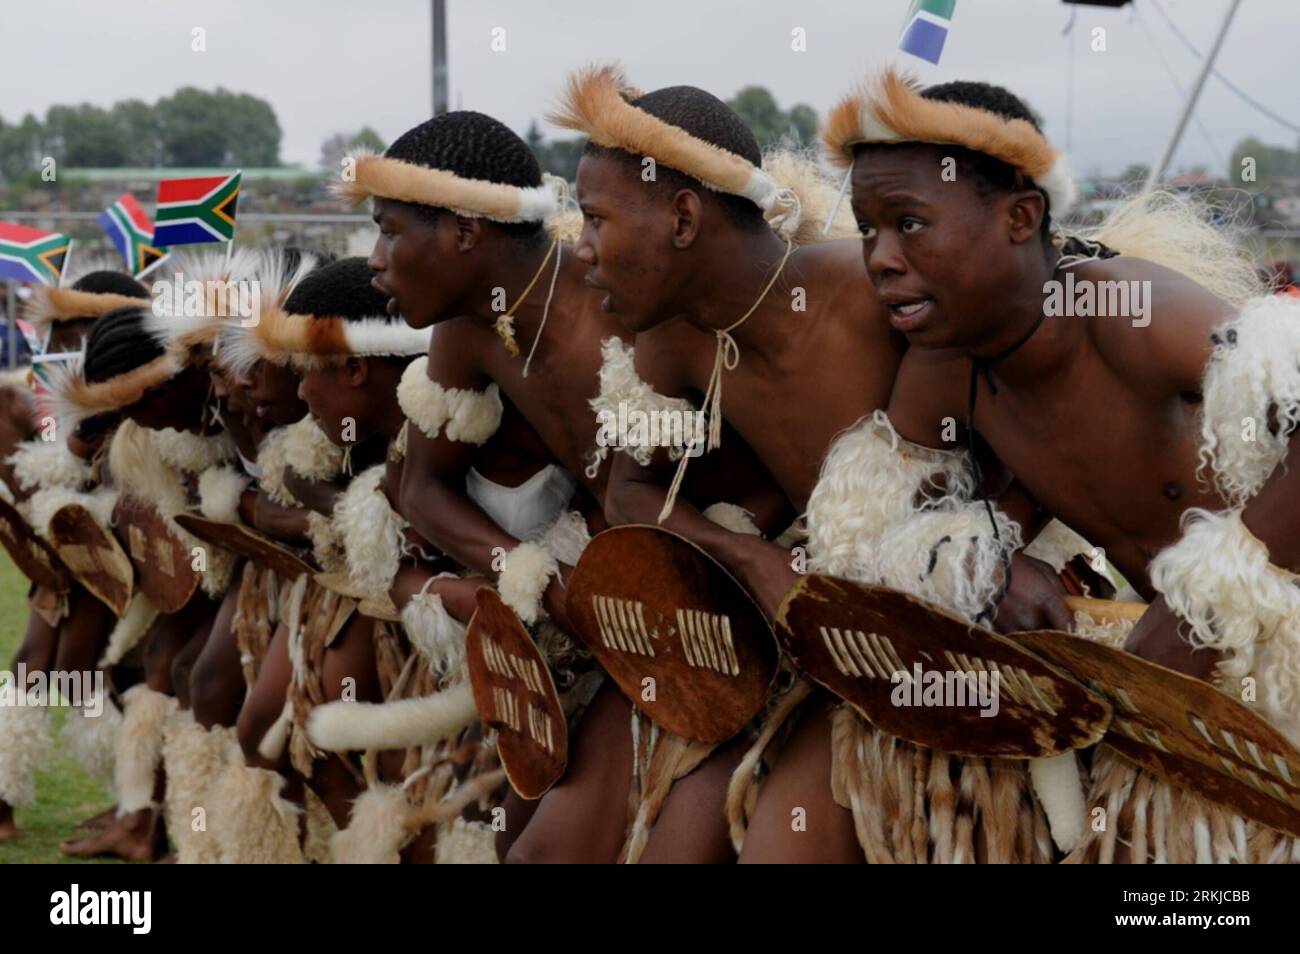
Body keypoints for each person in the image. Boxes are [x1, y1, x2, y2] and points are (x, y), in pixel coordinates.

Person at [813, 67, 1294, 862]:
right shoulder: (947, 365)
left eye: (909, 223)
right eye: (868, 229)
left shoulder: (1131, 316)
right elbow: (865, 533)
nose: (881, 259)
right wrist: (984, 565)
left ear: (1020, 217)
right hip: (1170, 687)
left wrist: (1204, 608)